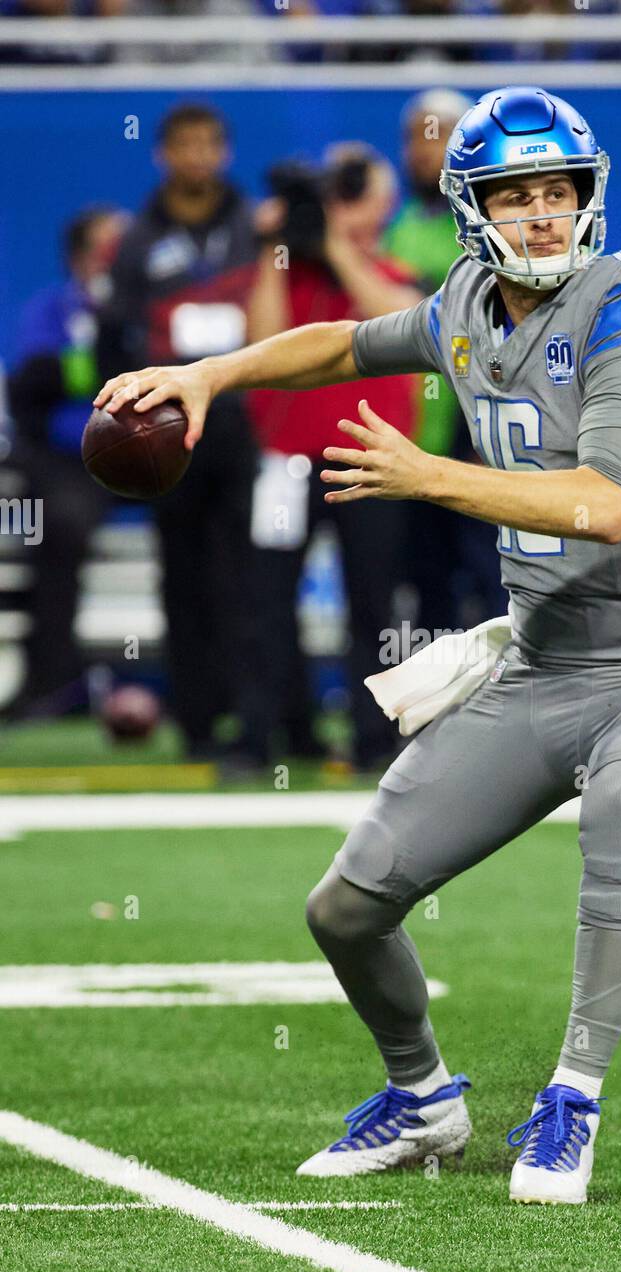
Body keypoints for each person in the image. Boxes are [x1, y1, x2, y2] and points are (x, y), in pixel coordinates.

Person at [94, 86, 621, 1207]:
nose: (541, 216)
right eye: (514, 195)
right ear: (471, 210)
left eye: (557, 192)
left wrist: (423, 474)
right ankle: (424, 1098)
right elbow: (339, 343)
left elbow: (602, 504)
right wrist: (208, 375)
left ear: (586, 196)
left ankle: (571, 1100)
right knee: (344, 908)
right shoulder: (463, 306)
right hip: (540, 667)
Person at [98, 102, 268, 768]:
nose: (197, 156)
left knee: (248, 579)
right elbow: (115, 334)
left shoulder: (257, 228)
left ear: (223, 152)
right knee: (183, 578)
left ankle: (257, 720)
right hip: (166, 431)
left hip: (243, 424)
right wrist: (128, 418)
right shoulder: (136, 239)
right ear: (162, 154)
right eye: (184, 145)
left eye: (208, 144)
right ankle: (197, 723)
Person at [246, 144, 420, 770]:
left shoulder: (392, 269)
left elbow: (403, 322)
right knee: (268, 599)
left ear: (382, 206)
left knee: (372, 601)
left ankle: (375, 743)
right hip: (287, 462)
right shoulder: (286, 275)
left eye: (354, 193)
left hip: (370, 463)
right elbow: (263, 339)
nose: (339, 207)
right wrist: (276, 250)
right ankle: (274, 739)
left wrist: (340, 248)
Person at [386, 88, 507, 634]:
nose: (420, 149)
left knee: (494, 576)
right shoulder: (398, 227)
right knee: (424, 583)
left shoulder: (491, 224)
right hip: (417, 434)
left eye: (434, 134)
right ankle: (433, 715)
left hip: (480, 428)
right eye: (413, 136)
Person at [7, 205, 127, 718]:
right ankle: (55, 681)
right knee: (57, 524)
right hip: (64, 461)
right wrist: (100, 364)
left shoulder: (141, 303)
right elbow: (29, 386)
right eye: (107, 249)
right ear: (80, 256)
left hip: (144, 457)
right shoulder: (49, 310)